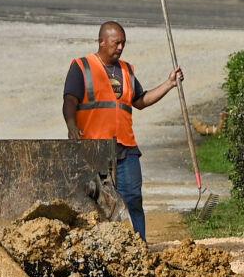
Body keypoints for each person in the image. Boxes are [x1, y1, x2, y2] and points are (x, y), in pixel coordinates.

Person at [62, 21, 184, 240]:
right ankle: (98, 244)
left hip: (125, 147)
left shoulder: (126, 70)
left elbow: (140, 100)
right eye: (116, 43)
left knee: (133, 198)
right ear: (102, 41)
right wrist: (71, 125)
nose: (120, 47)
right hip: (94, 148)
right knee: (97, 201)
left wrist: (169, 84)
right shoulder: (82, 66)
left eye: (123, 43)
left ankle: (140, 244)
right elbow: (69, 99)